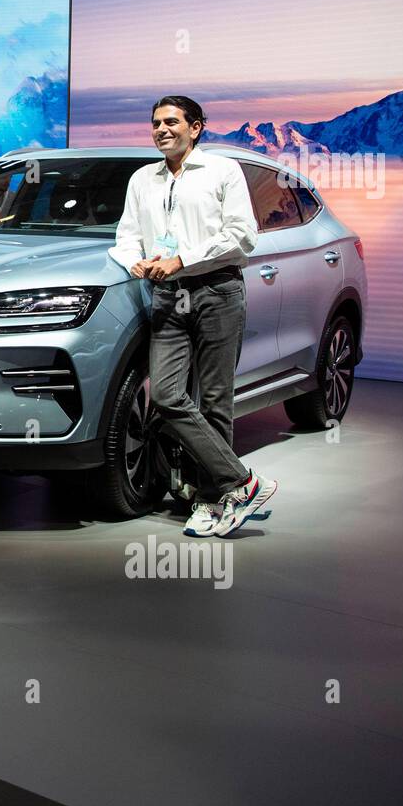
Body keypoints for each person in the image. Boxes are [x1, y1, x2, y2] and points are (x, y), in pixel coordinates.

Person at [110, 95, 277, 539]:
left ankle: (208, 500)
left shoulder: (222, 171)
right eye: (155, 123)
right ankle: (242, 483)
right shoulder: (143, 179)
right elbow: (125, 236)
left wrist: (182, 259)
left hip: (216, 290)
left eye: (171, 122)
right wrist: (136, 263)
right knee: (166, 396)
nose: (161, 129)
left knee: (216, 400)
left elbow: (242, 236)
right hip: (166, 296)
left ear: (196, 127)